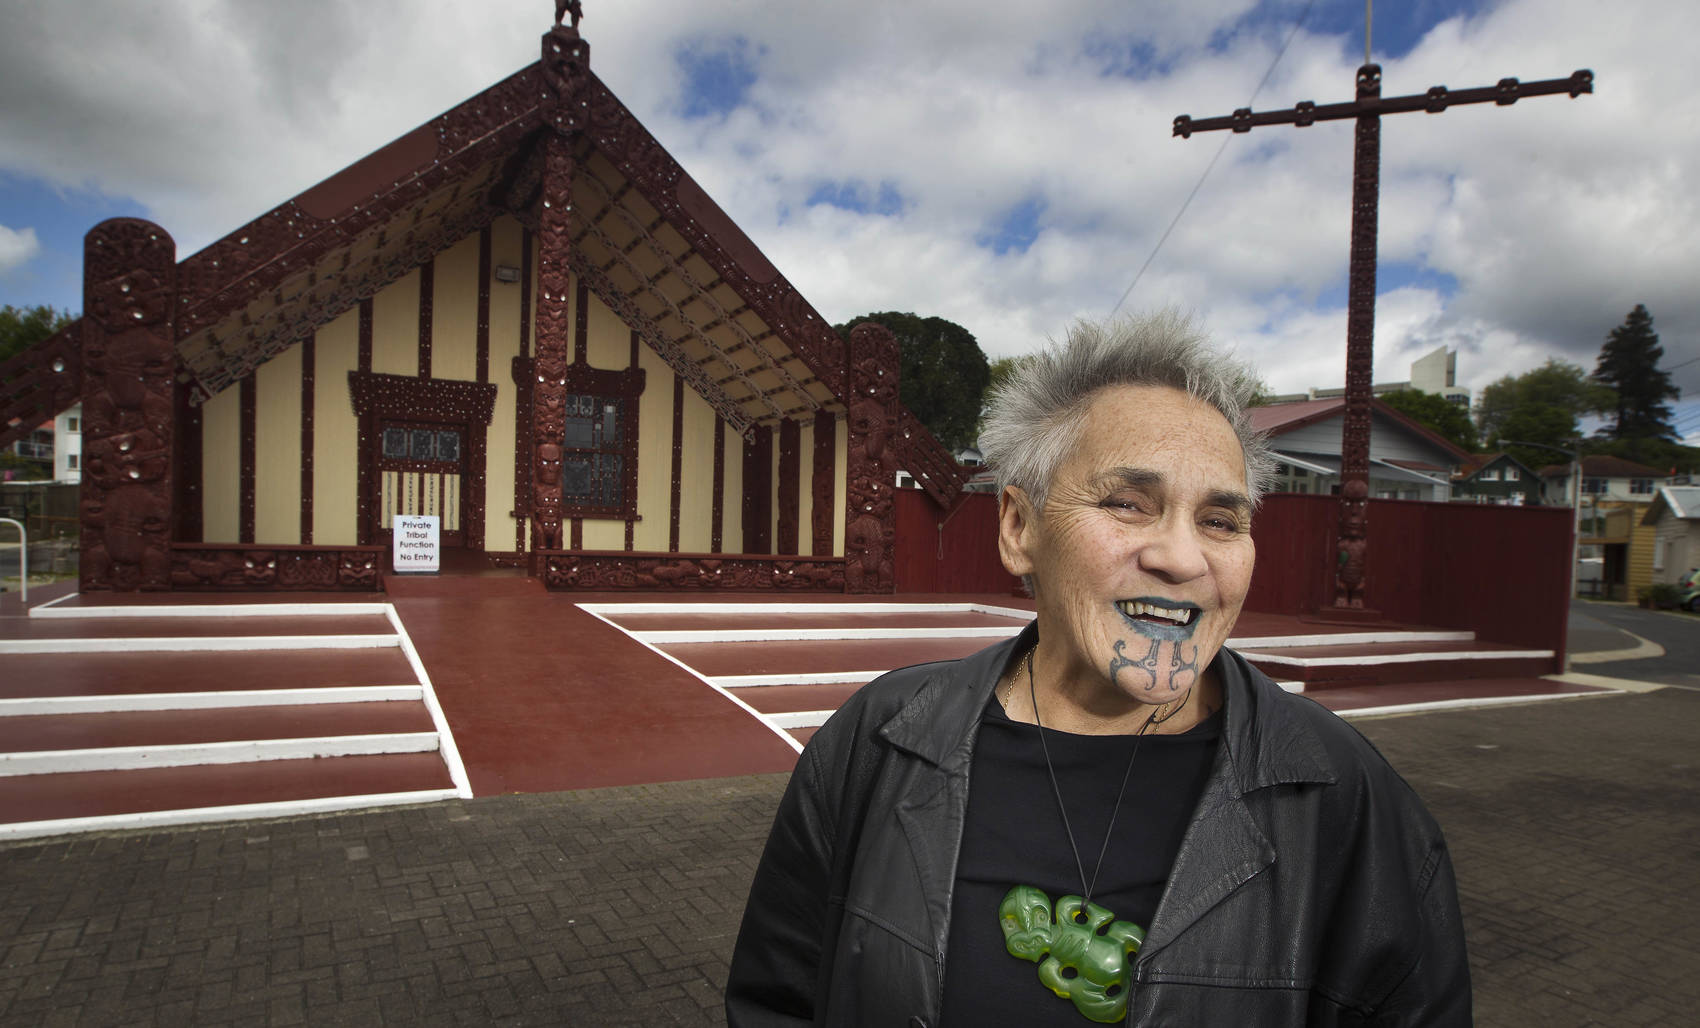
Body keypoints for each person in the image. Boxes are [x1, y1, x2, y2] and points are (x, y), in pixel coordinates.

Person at [725, 313, 1471, 1026]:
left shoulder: (1342, 793)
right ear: (1019, 528)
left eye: (1220, 521)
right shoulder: (880, 741)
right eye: (1128, 503)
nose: (1181, 558)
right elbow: (781, 999)